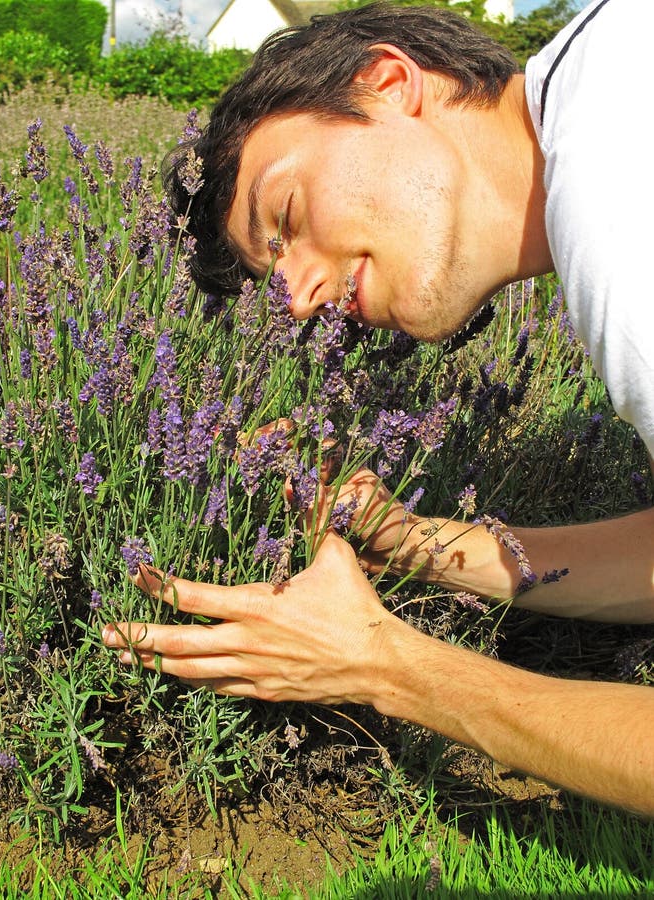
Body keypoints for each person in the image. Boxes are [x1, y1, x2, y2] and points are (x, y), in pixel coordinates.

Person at [102, 0, 654, 815]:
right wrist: (414, 543)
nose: (295, 303)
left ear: (387, 82)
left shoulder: (617, 221)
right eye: (272, 282)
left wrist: (382, 666)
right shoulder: (608, 72)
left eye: (284, 216)